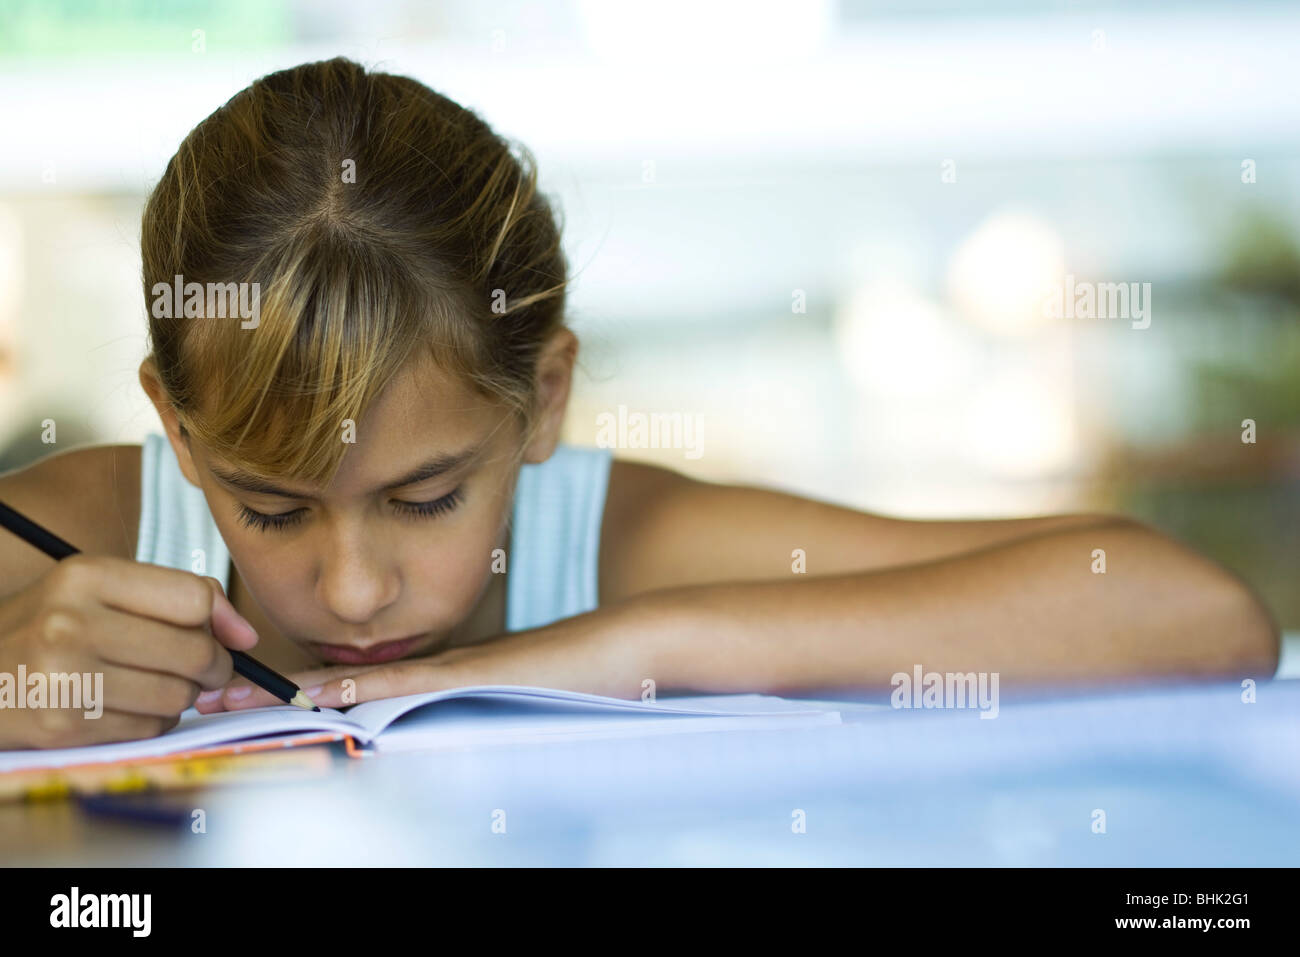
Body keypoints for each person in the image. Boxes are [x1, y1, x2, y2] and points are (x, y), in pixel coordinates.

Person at [0, 58, 1278, 749]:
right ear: (176, 426)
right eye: (272, 511)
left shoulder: (606, 550)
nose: (350, 592)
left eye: (430, 498)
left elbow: (1192, 612)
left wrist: (623, 650)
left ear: (542, 398)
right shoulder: (94, 525)